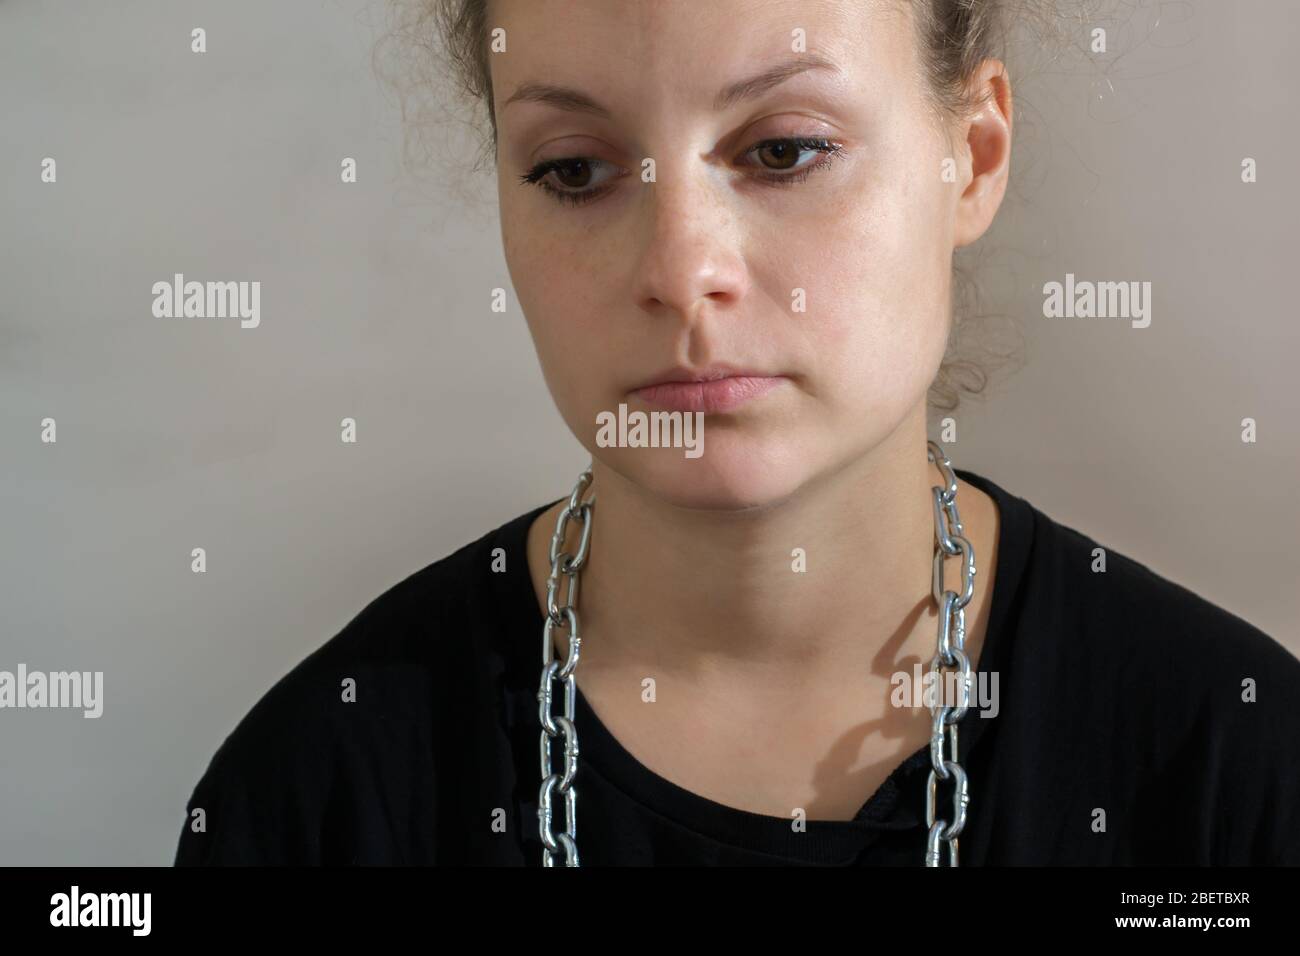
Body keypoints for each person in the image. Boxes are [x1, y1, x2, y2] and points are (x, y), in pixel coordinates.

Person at [174, 0, 1300, 866]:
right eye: (574, 169)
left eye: (783, 150)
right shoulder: (316, 794)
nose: (679, 269)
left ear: (974, 156)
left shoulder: (1238, 771)